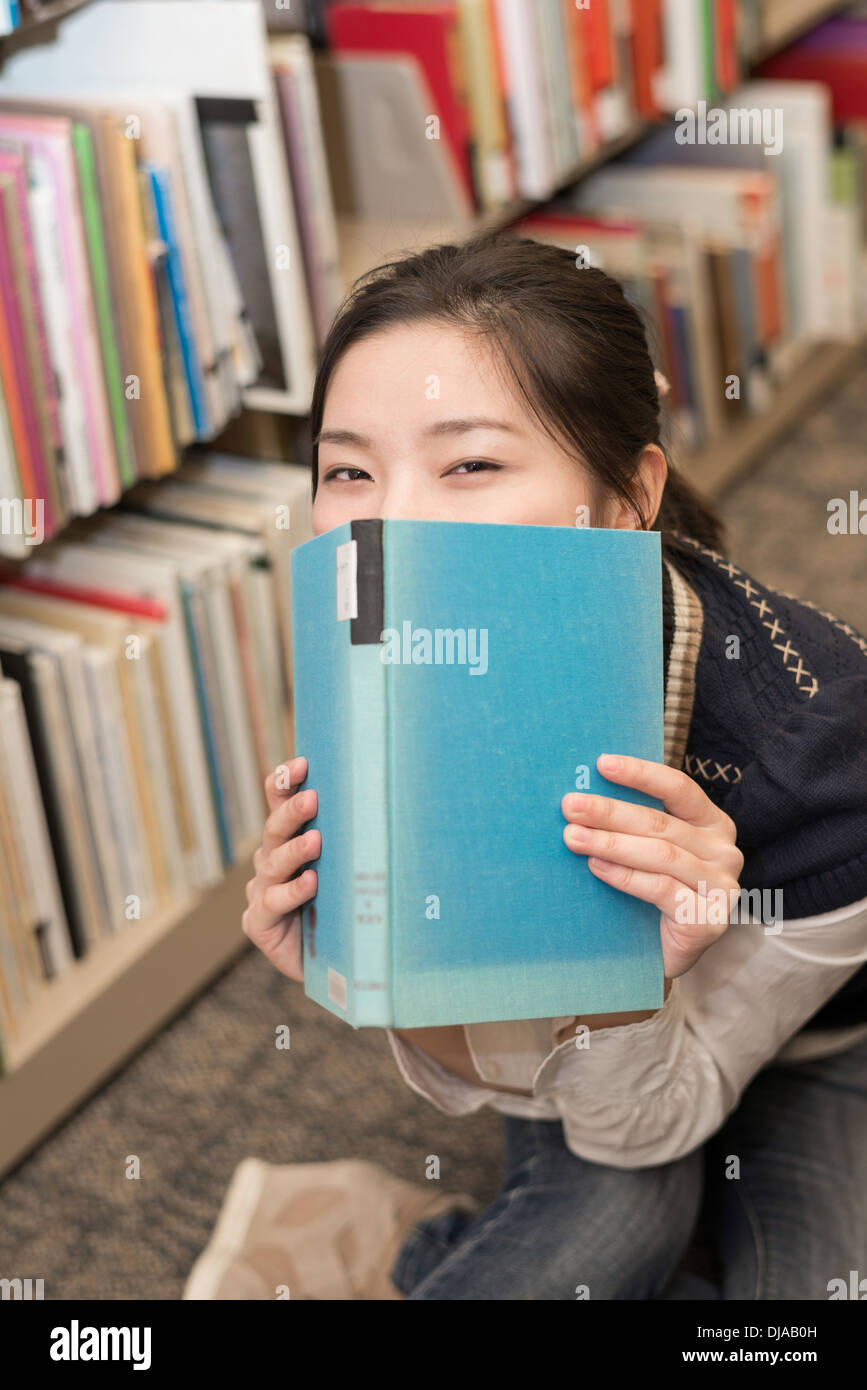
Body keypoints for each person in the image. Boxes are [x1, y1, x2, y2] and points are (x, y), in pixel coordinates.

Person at [188, 233, 867, 1301]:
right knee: (609, 1237)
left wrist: (654, 973)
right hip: (588, 1071)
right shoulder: (393, 673)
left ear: (629, 493)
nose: (392, 525)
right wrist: (374, 965)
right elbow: (541, 1083)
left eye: (471, 464)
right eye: (349, 470)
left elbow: (669, 1103)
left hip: (825, 1045)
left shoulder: (823, 747)